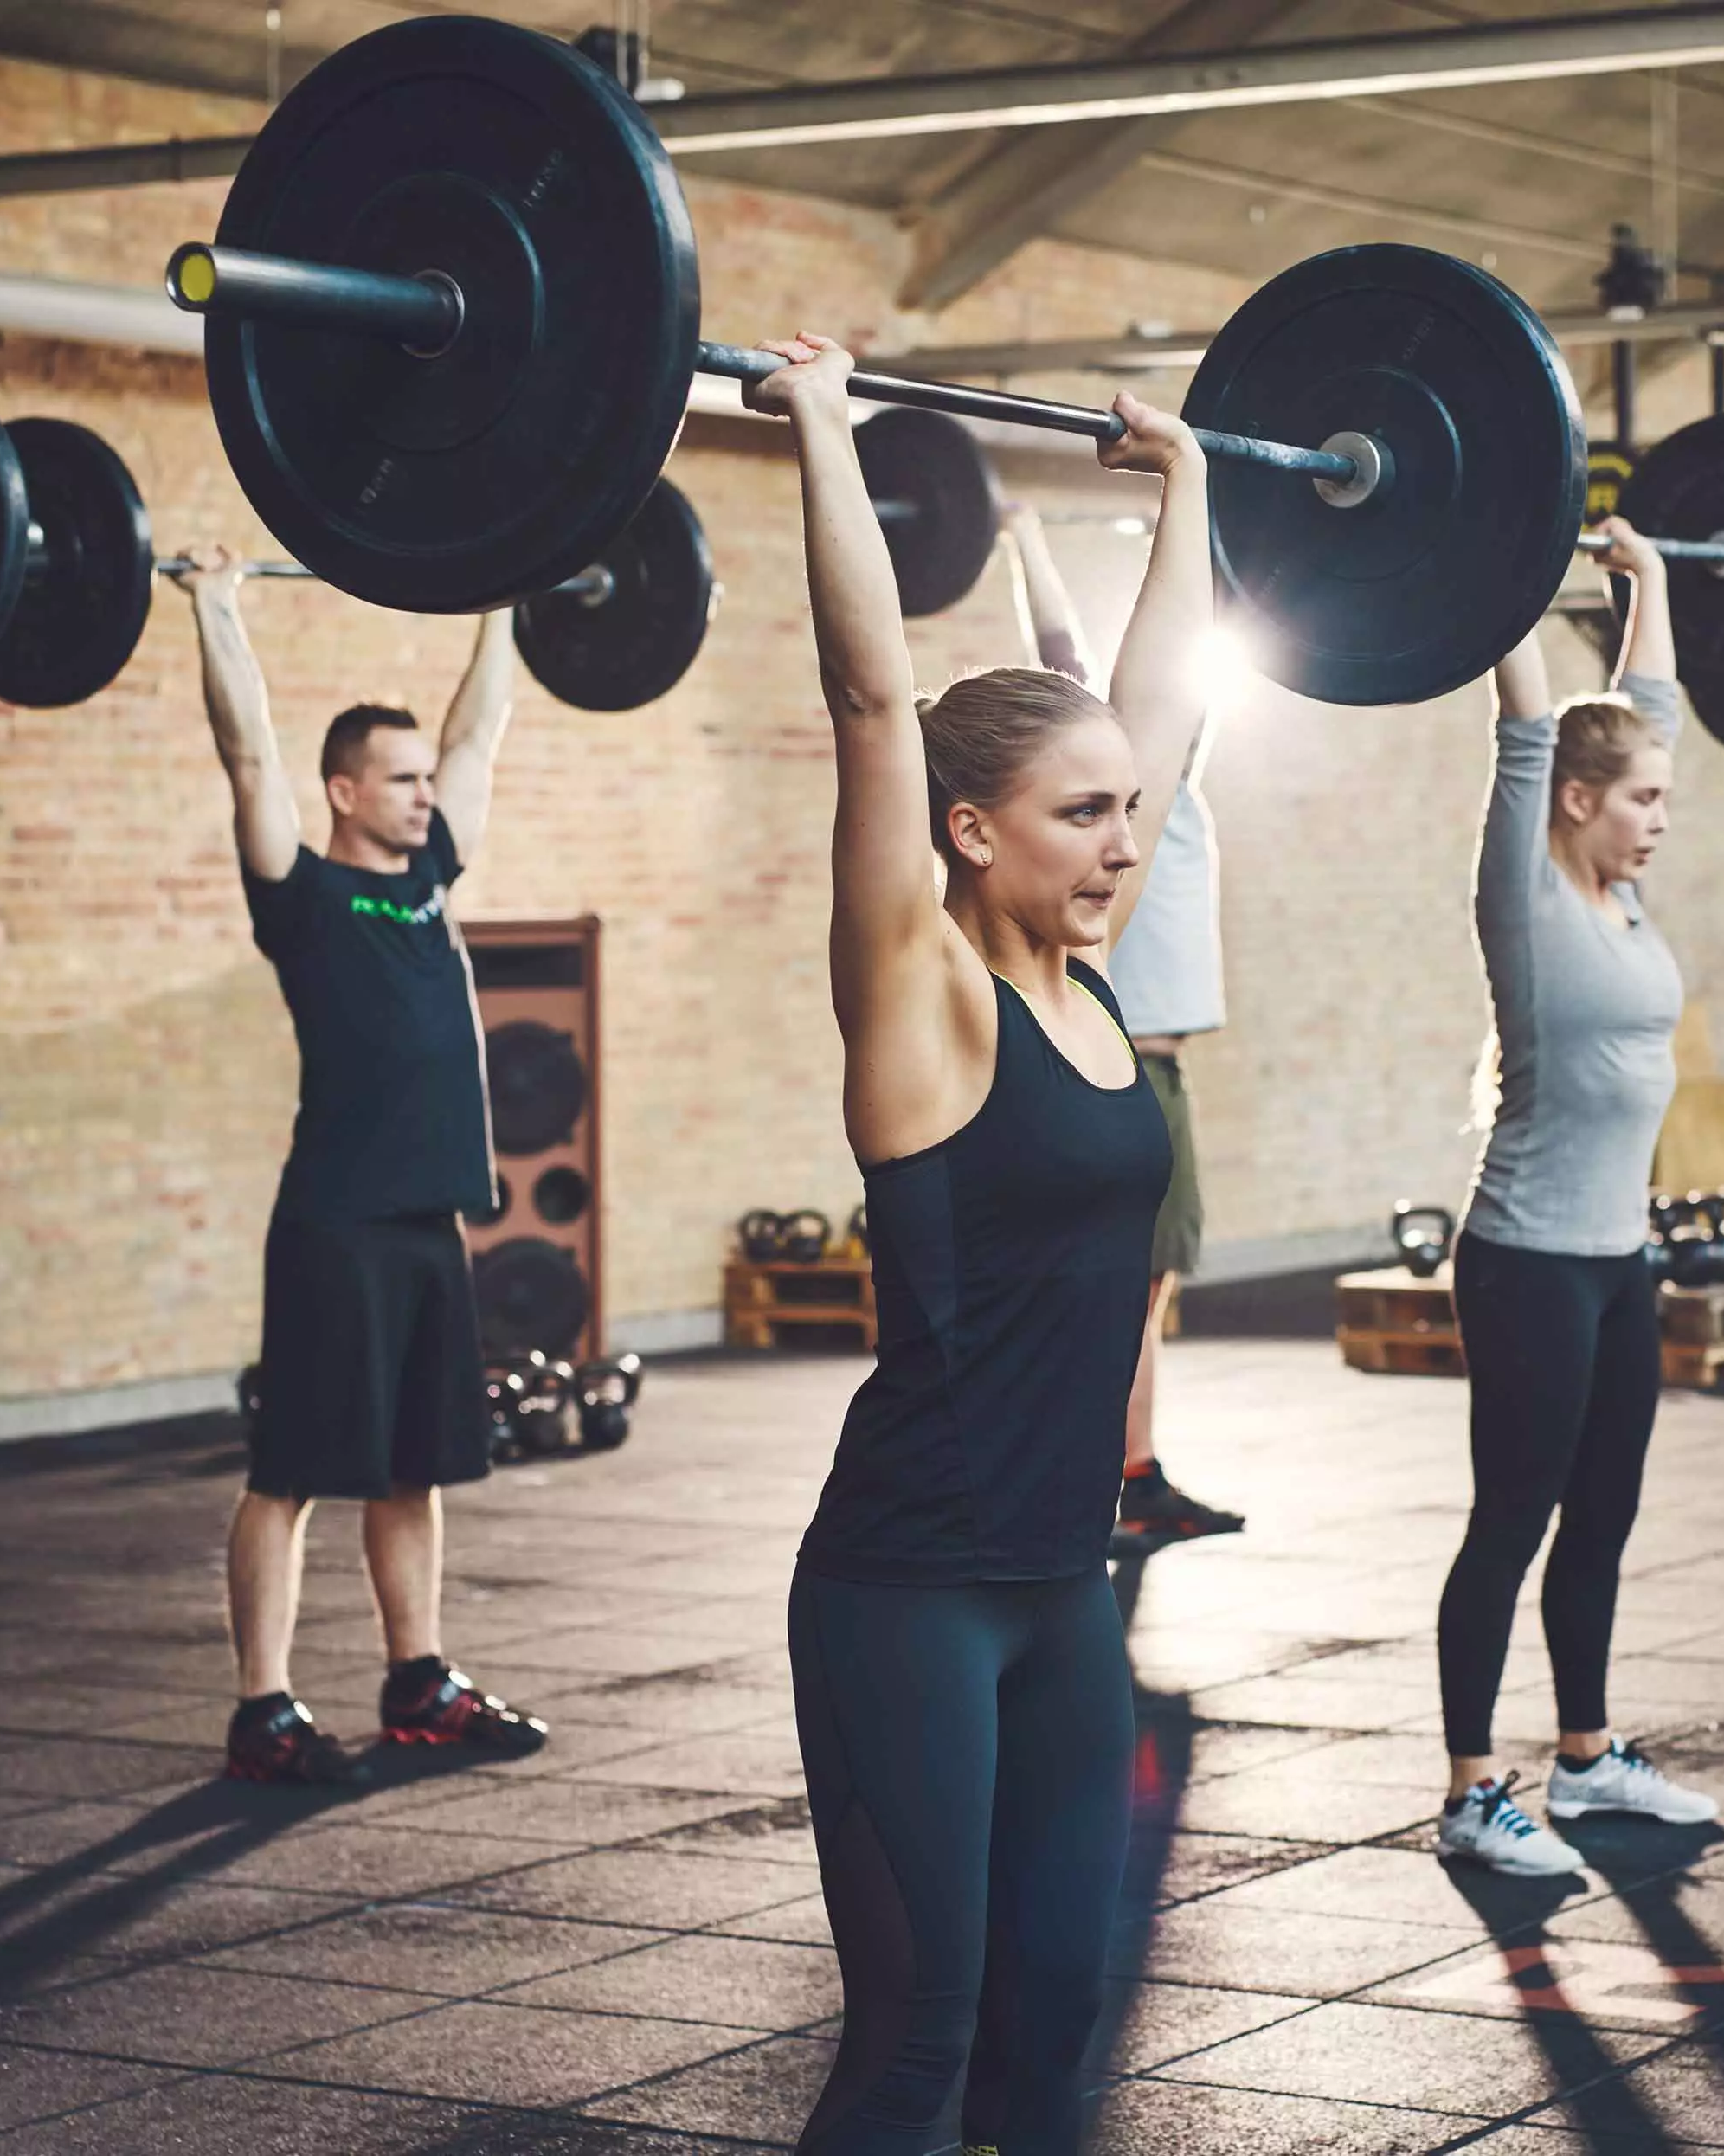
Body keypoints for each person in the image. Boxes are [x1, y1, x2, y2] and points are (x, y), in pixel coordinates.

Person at [753, 336, 1206, 2156]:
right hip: (907, 1591)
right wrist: (825, 428)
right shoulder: (923, 997)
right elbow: (874, 705)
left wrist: (1192, 490)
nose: (1122, 838)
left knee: (1057, 2025)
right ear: (969, 831)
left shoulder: (1088, 988)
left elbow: (1167, 708)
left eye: (1122, 809)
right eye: (1081, 815)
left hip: (1058, 1590)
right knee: (918, 2040)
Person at [172, 553, 550, 1787]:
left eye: (425, 779)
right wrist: (216, 606)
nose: (426, 792)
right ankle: (263, 1706)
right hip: (333, 1217)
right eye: (401, 779)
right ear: (343, 790)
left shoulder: (434, 879)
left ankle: (418, 1678)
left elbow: (481, 727)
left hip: (427, 1219)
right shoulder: (300, 889)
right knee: (291, 1472)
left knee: (415, 1464)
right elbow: (246, 752)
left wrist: (508, 589)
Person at [1433, 524, 1722, 1880]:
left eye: (1665, 797)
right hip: (1529, 1260)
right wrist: (1499, 568)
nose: (1662, 815)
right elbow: (1531, 719)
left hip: (1617, 1260)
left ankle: (1590, 1758)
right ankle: (1471, 1786)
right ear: (1576, 802)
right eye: (1645, 799)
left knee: (1603, 1510)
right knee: (1514, 1516)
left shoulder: (1615, 896)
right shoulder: (1531, 901)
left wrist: (1650, 585)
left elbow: (1641, 707)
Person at [994, 499, 1247, 1553]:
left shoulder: (1169, 789)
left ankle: (1130, 1468)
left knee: (1143, 1284)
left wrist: (1030, 539)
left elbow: (1101, 655)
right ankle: (1108, 1473)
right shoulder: (1129, 794)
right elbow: (1072, 652)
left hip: (1158, 1066)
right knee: (1124, 1284)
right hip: (1128, 1064)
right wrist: (1028, 541)